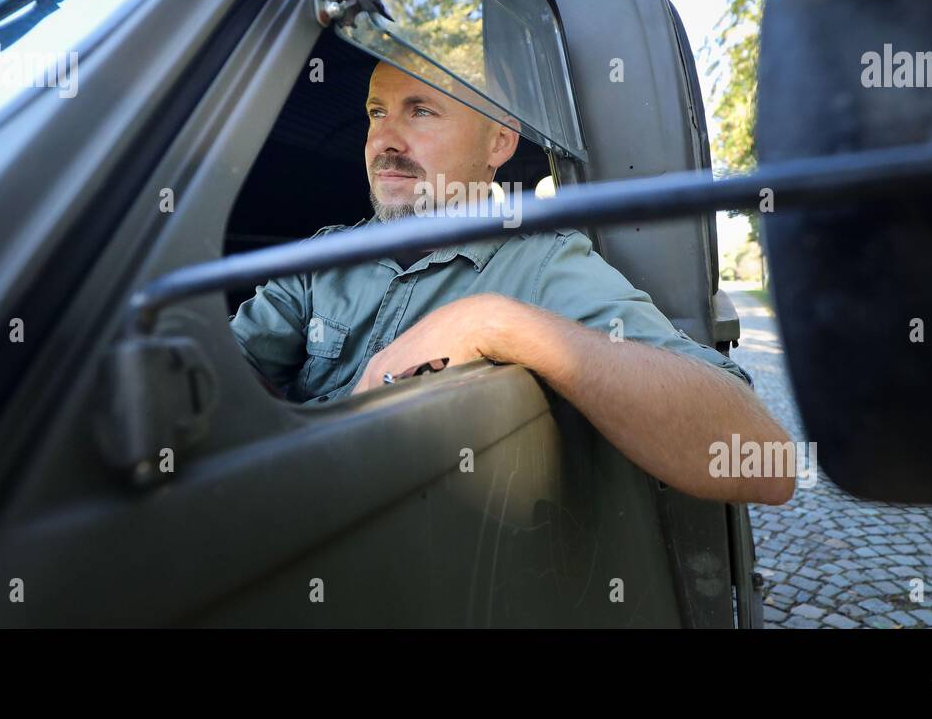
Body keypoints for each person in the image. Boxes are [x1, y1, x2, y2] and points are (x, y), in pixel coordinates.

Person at [230, 60, 795, 504]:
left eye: (421, 110)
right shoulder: (318, 259)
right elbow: (214, 378)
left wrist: (492, 323)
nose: (386, 140)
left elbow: (761, 458)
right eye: (377, 113)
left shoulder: (543, 266)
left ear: (499, 143)